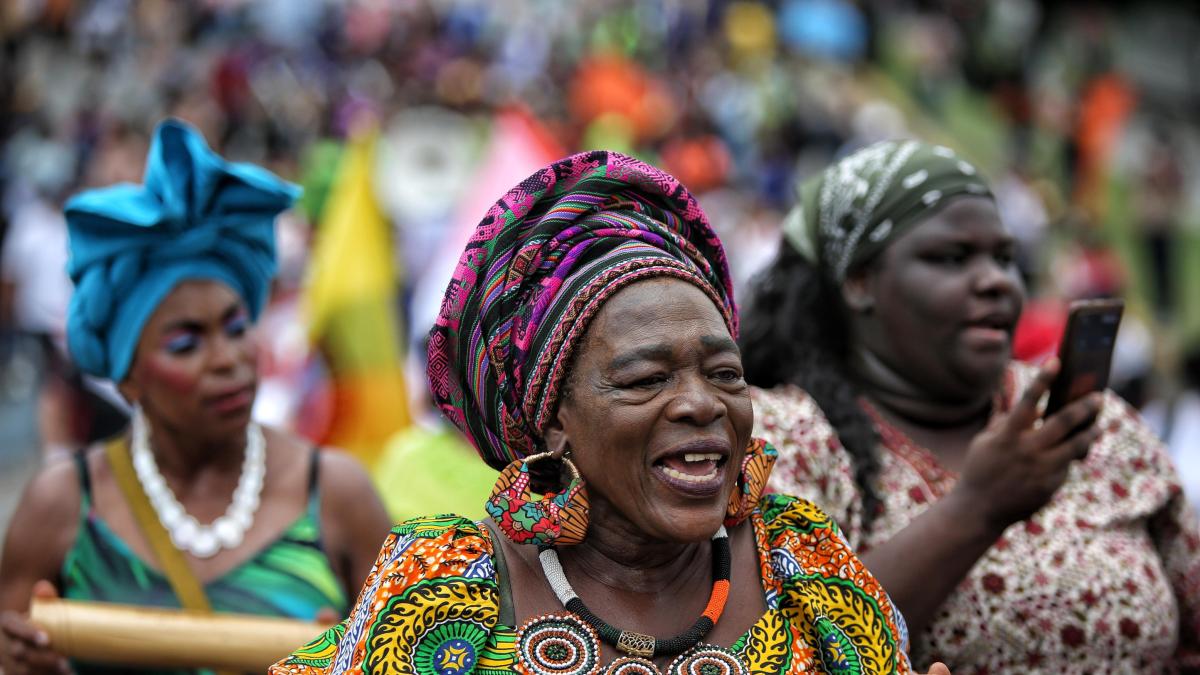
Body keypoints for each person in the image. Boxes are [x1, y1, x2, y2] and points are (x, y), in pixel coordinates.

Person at [270, 150, 939, 674]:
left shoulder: (804, 564)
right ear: (553, 419)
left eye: (725, 374)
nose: (701, 403)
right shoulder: (441, 584)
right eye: (646, 379)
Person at [740, 139, 1200, 672]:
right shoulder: (782, 439)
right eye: (952, 258)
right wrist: (977, 508)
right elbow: (786, 649)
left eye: (1005, 258)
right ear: (860, 283)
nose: (996, 281)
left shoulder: (1093, 422)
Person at [0, 119, 391, 674]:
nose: (227, 358)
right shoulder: (62, 506)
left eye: (236, 327)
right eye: (186, 343)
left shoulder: (336, 495)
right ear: (128, 378)